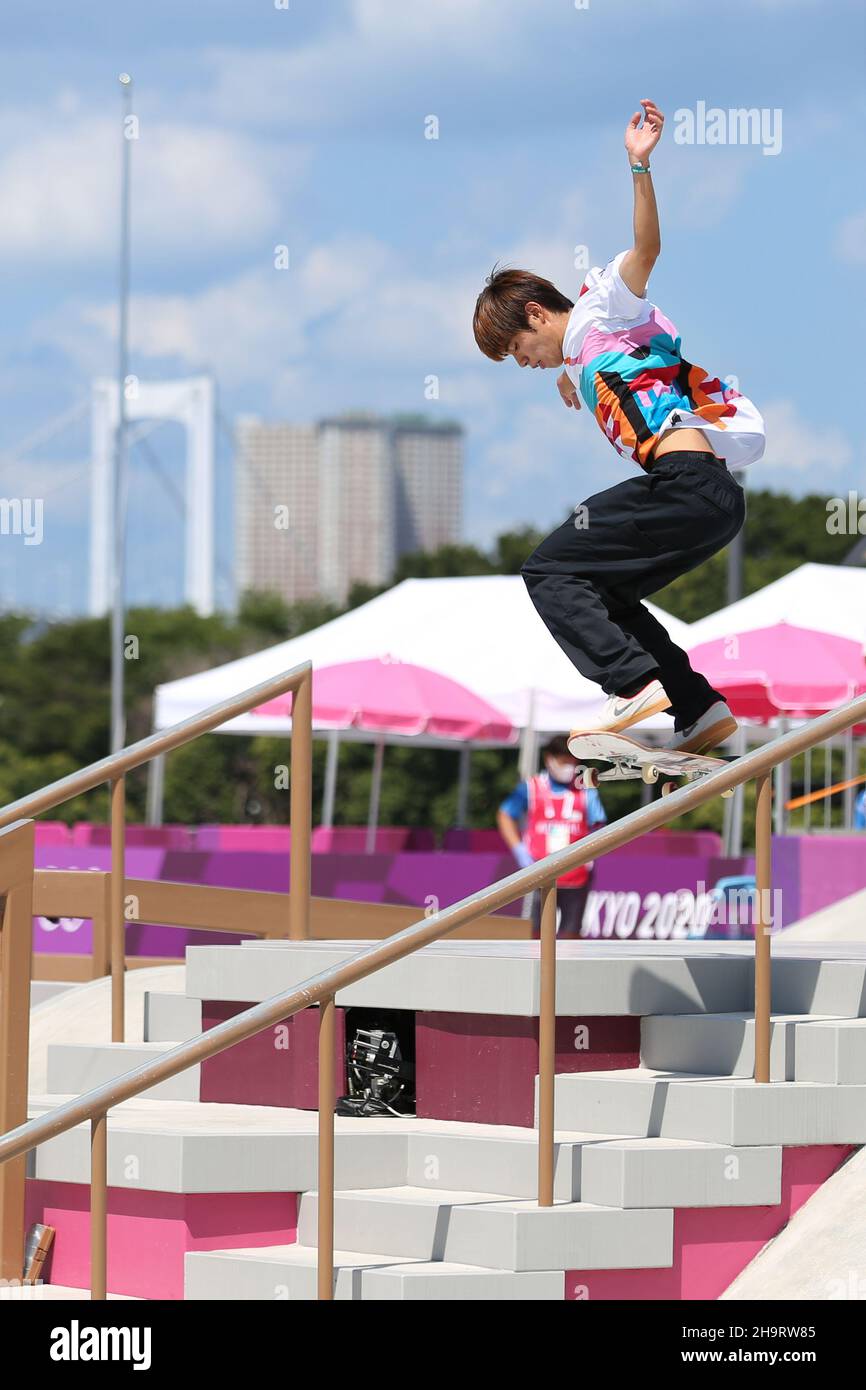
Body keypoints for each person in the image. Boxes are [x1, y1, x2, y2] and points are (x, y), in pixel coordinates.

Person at [472, 100, 765, 755]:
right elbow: (590, 362)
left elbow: (648, 249)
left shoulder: (607, 306)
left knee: (548, 570)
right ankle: (699, 709)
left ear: (539, 316)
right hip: (711, 499)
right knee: (603, 589)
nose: (527, 365)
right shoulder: (582, 353)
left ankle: (630, 686)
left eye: (522, 353)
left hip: (686, 487)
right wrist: (567, 371)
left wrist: (639, 163)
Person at [497, 734, 606, 938]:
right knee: (532, 933)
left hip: (576, 875)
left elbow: (599, 825)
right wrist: (519, 851)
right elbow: (505, 815)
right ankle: (535, 971)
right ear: (549, 758)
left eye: (573, 762)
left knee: (571, 934)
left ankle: (568, 970)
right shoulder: (532, 787)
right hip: (538, 874)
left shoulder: (585, 789)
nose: (569, 767)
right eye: (564, 762)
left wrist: (589, 852)